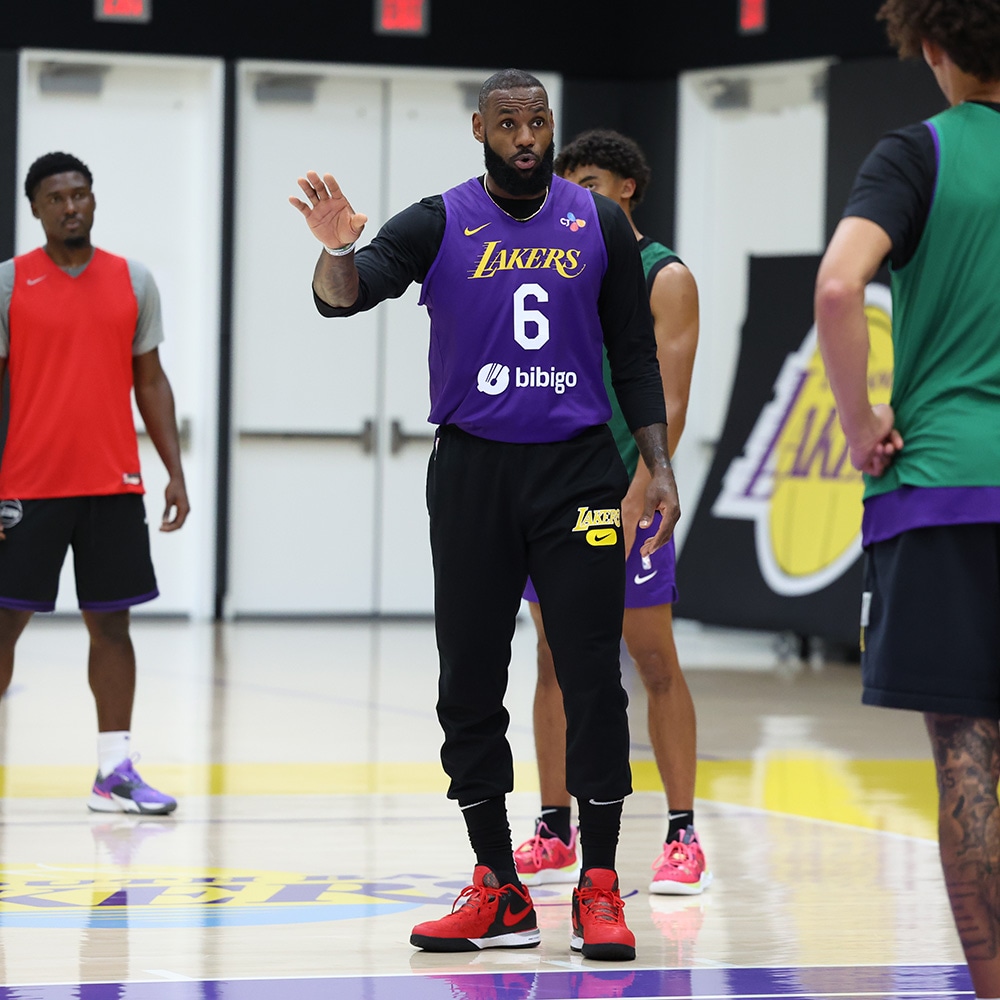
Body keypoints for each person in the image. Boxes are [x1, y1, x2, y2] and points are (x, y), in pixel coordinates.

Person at [290, 69, 680, 961]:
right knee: (468, 679)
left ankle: (600, 884)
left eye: (537, 120)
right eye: (507, 122)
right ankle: (498, 883)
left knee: (590, 674)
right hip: (473, 473)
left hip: (580, 473)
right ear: (479, 128)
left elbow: (632, 354)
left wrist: (655, 466)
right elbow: (340, 297)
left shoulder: (600, 222)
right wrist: (336, 247)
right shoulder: (439, 219)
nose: (525, 135)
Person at [814, 3, 1000, 997]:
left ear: (932, 47)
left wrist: (857, 422)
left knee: (967, 753)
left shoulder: (918, 152)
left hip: (947, 487)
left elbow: (841, 290)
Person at [513, 129, 708, 896]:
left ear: (628, 187)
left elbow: (674, 405)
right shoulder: (565, 269)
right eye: (568, 185)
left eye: (589, 181)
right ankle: (555, 828)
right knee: (553, 660)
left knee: (652, 658)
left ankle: (683, 834)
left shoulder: (666, 278)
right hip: (559, 493)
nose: (575, 197)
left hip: (628, 492)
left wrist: (635, 496)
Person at [0, 151, 189, 816]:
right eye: (57, 197)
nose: (71, 205)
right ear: (36, 209)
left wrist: (174, 471)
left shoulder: (132, 281)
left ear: (93, 200)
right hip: (28, 487)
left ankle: (114, 772)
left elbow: (151, 380)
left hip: (113, 486)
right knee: (4, 625)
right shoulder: (8, 284)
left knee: (112, 627)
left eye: (80, 193)